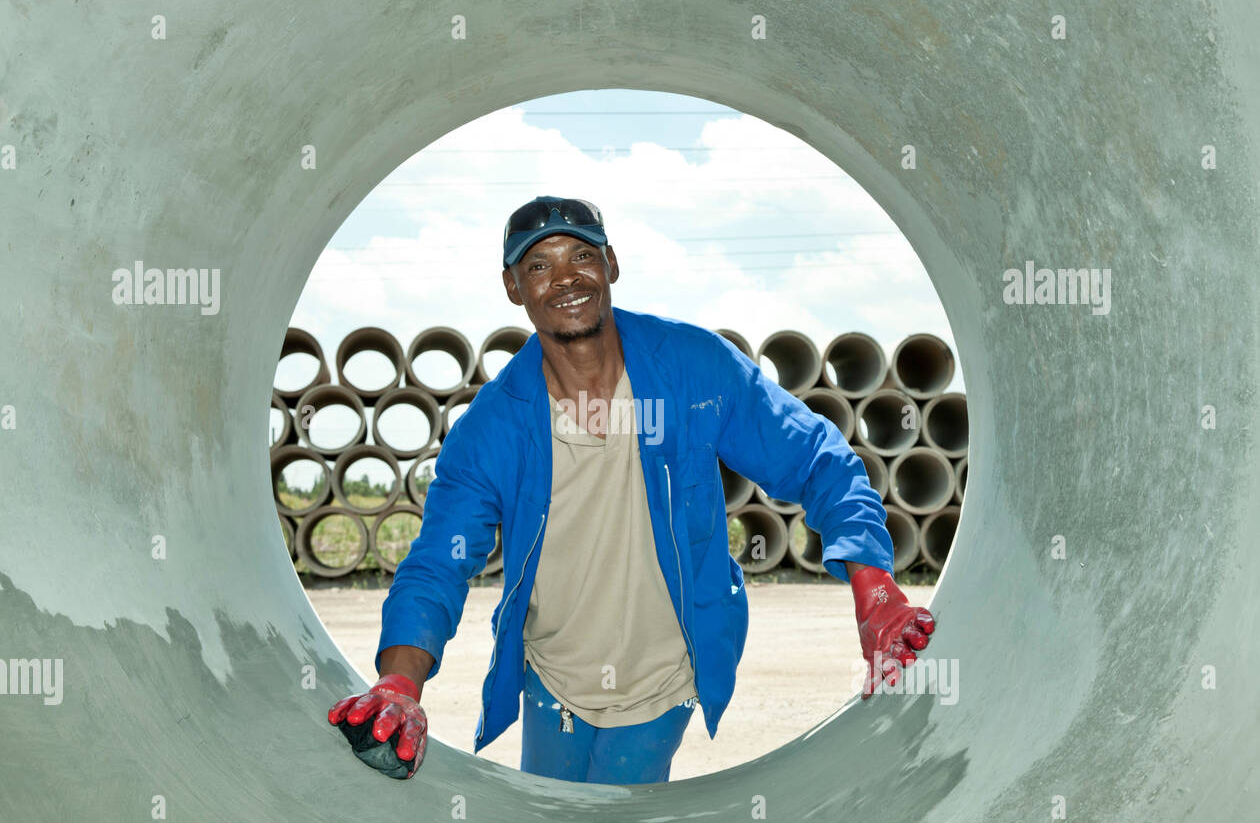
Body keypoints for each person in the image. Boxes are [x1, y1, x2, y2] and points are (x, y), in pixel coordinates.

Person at [329, 196, 936, 783]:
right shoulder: (493, 427)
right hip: (553, 679)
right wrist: (400, 682)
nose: (565, 279)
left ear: (611, 264)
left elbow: (816, 458)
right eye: (539, 265)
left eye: (582, 257)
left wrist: (875, 591)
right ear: (514, 287)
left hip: (660, 680)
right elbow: (439, 561)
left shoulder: (693, 369)